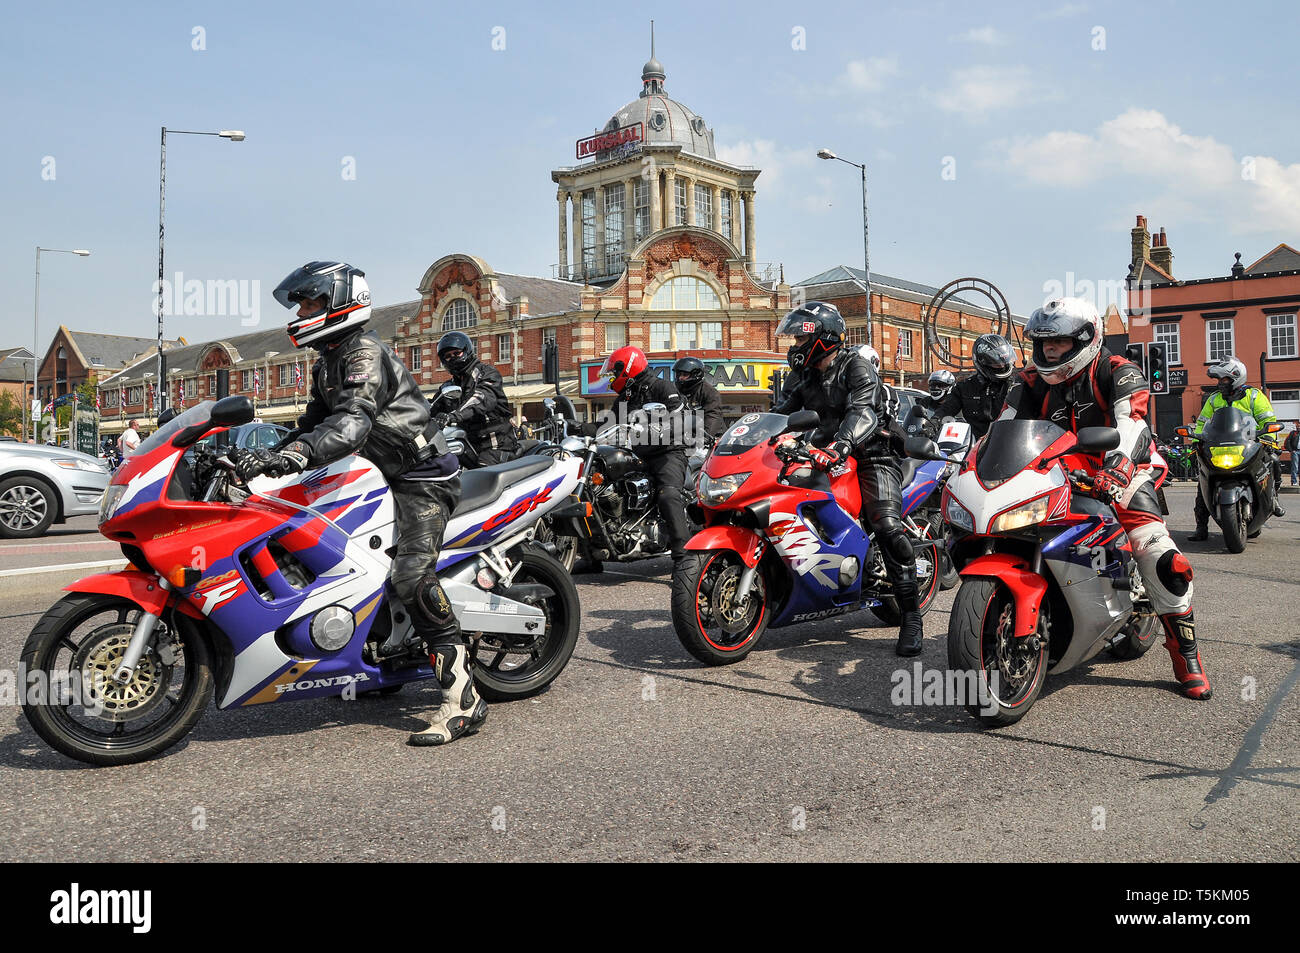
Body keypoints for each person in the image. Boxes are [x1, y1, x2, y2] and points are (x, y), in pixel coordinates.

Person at [233, 261, 483, 746]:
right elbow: (313, 422)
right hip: (377, 474)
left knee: (411, 574)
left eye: (309, 302)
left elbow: (352, 422)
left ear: (340, 302)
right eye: (301, 304)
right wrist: (255, 454)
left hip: (420, 476)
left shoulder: (363, 352)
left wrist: (296, 454)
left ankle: (462, 698)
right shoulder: (329, 360)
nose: (301, 311)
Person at [999, 296, 1210, 699]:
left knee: (1160, 556)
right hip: (1056, 471)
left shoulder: (1118, 371)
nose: (1048, 351)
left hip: (1121, 468)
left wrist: (1116, 467)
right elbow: (1004, 428)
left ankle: (1187, 658)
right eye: (1043, 343)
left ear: (1086, 339)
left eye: (1058, 343)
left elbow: (1131, 422)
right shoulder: (1029, 381)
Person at [772, 301, 924, 657]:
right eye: (793, 338)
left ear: (823, 338)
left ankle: (912, 618)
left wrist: (842, 445)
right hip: (823, 456)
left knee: (885, 525)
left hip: (871, 454)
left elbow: (863, 412)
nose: (794, 345)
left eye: (799, 338)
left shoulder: (855, 366)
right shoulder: (804, 376)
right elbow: (781, 413)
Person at [598, 345, 690, 563]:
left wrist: (654, 429)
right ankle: (594, 554)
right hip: (637, 453)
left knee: (668, 494)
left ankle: (684, 555)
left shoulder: (662, 387)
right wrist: (579, 428)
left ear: (627, 368)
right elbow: (607, 425)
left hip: (667, 452)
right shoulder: (625, 397)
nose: (612, 377)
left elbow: (679, 418)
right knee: (604, 489)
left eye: (614, 372)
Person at [1189, 357, 1284, 540]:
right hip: (1219, 448)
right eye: (1219, 380)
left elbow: (1268, 421)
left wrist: (1269, 439)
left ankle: (1274, 499)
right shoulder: (1214, 399)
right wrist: (1197, 438)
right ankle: (1201, 527)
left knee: (1274, 462)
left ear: (1236, 378)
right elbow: (1202, 422)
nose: (1220, 384)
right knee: (1203, 481)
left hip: (1248, 446)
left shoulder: (1254, 396)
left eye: (1224, 380)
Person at [430, 331, 518, 466]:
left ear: (466, 351)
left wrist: (452, 416)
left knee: (481, 478)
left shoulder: (486, 373)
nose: (452, 358)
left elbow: (480, 398)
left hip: (496, 445)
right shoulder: (449, 386)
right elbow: (431, 407)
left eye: (456, 353)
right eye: (448, 356)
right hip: (469, 446)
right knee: (442, 467)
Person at [934, 334, 1017, 440]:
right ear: (982, 362)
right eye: (996, 363)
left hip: (1007, 445)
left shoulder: (1015, 386)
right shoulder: (964, 387)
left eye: (1004, 361)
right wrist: (933, 423)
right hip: (972, 447)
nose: (1001, 366)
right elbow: (945, 410)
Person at [672, 356, 724, 445]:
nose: (680, 378)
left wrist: (704, 438)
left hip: (711, 439)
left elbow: (713, 416)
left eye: (685, 375)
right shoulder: (674, 391)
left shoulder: (709, 392)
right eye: (679, 374)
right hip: (684, 438)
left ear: (695, 374)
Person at [904, 369, 957, 439]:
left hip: (949, 438)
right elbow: (917, 416)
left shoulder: (956, 404)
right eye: (933, 385)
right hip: (928, 438)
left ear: (950, 387)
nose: (935, 388)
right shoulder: (926, 401)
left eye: (940, 385)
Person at [1286, 422, 1300, 486]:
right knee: (1295, 467)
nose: (1298, 428)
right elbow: (1287, 442)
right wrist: (1291, 450)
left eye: (1299, 427)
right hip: (1295, 452)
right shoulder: (1293, 433)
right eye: (1297, 427)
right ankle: (1294, 481)